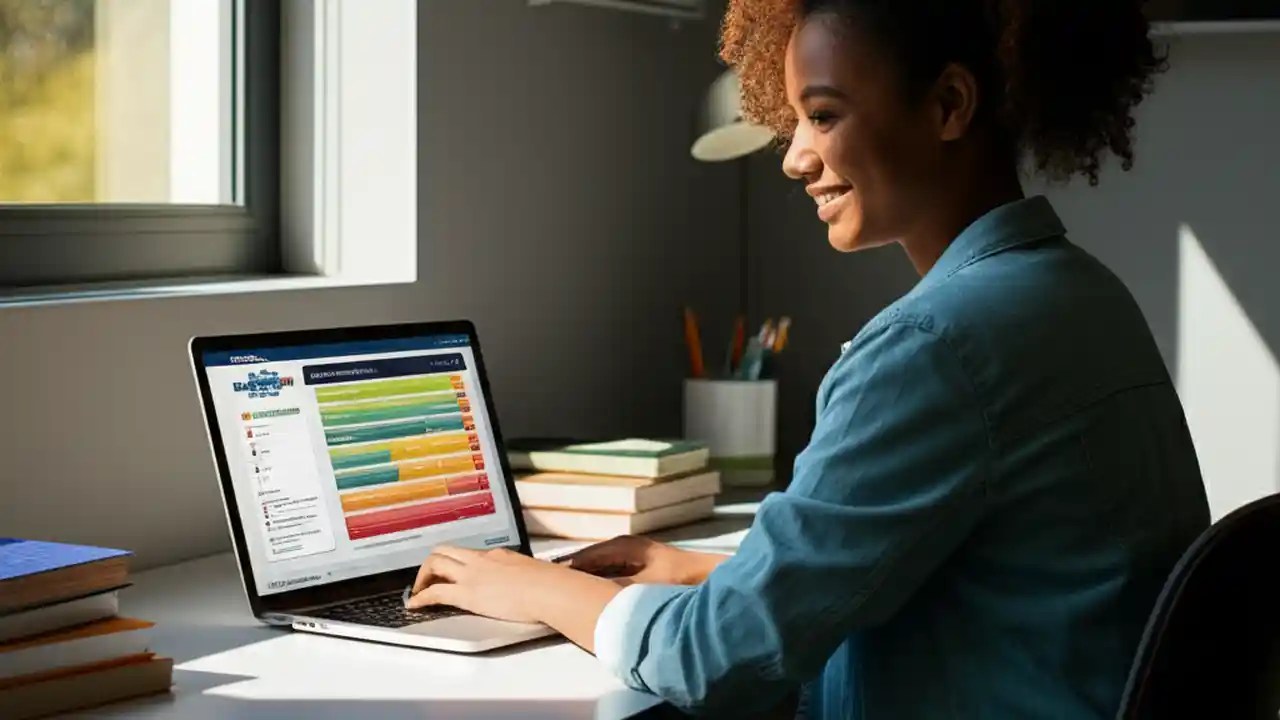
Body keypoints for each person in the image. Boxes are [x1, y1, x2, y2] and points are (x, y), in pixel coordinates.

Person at [406, 0, 1211, 716]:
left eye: (822, 116)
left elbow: (716, 662)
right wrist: (695, 572)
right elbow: (984, 565)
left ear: (949, 104)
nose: (793, 157)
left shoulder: (932, 347)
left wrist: (541, 588)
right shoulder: (1080, 293)